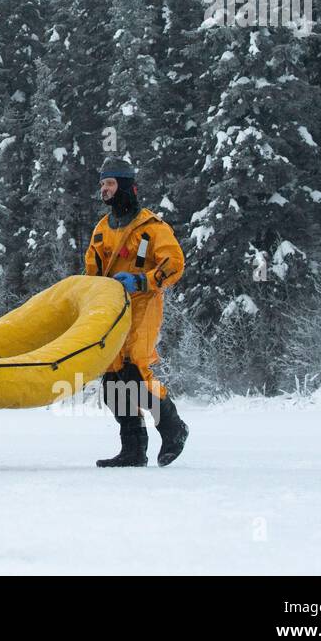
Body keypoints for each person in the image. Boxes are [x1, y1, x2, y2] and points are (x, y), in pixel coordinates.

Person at [84, 156, 189, 467]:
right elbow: (92, 272)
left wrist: (143, 280)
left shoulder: (152, 227)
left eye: (110, 183)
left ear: (127, 186)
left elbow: (174, 263)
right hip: (112, 311)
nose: (104, 189)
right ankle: (133, 450)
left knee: (134, 372)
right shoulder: (101, 230)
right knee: (113, 379)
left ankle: (173, 428)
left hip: (143, 305)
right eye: (102, 184)